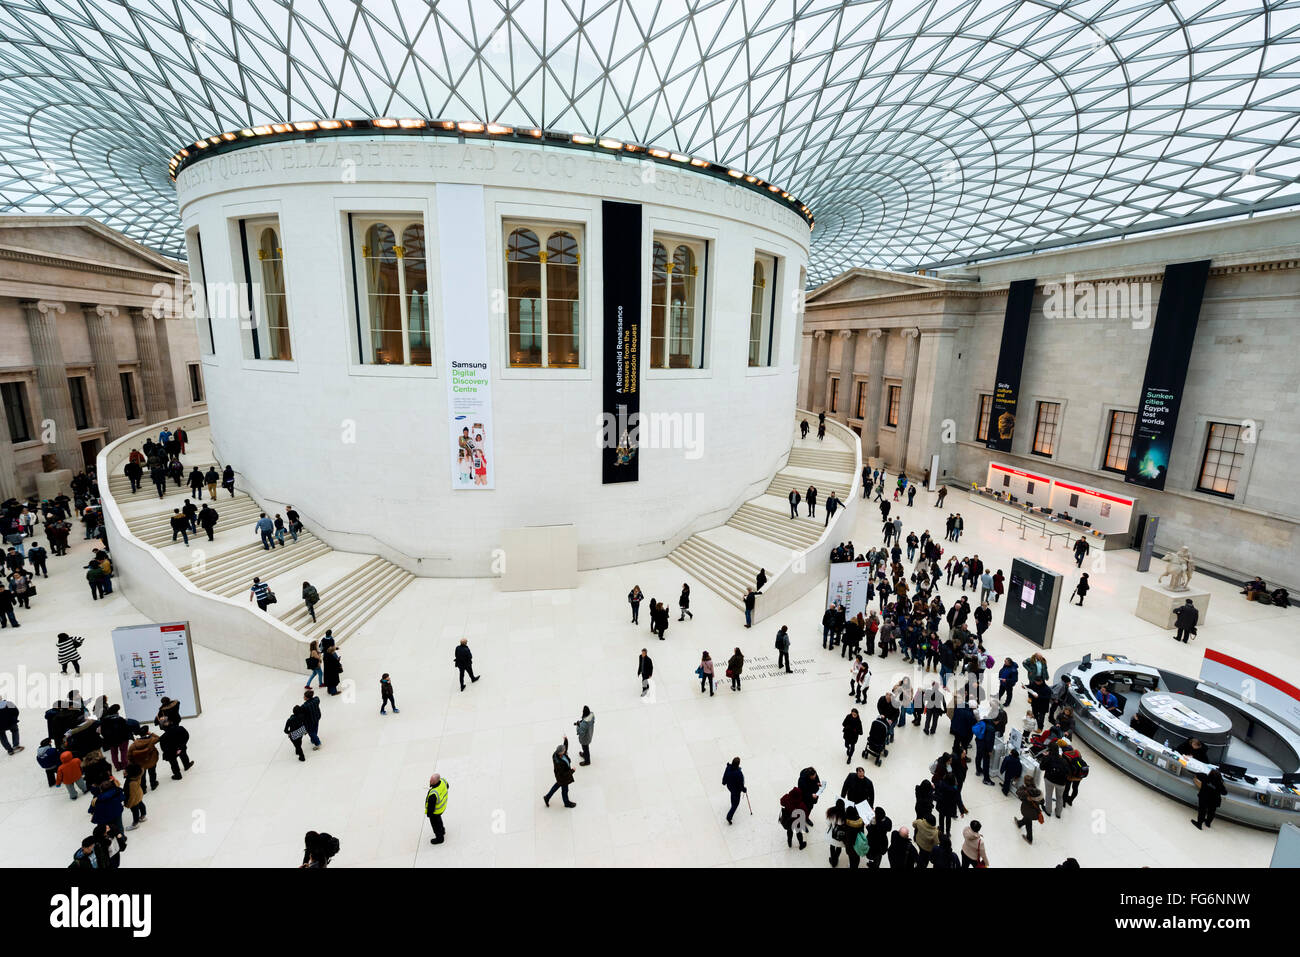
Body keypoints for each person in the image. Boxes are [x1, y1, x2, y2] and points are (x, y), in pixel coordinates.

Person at [543, 737, 577, 808]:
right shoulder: (559, 763)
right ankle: (566, 803)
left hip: (559, 777)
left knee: (556, 786)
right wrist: (572, 771)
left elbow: (565, 747)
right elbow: (564, 774)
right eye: (564, 750)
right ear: (561, 753)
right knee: (565, 790)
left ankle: (547, 797)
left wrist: (566, 740)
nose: (565, 750)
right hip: (563, 778)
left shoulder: (557, 754)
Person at [1040, 742, 1070, 818]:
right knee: (1060, 797)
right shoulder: (1063, 760)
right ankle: (1058, 813)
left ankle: (1048, 811)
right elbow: (1068, 772)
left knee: (1049, 795)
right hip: (1061, 783)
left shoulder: (1047, 758)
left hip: (1049, 780)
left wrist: (1044, 757)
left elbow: (1042, 767)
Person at [128, 727, 160, 791]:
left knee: (142, 776)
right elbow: (159, 738)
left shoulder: (134, 745)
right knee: (152, 773)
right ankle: (153, 784)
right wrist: (150, 733)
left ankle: (143, 788)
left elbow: (129, 756)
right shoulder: (152, 740)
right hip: (151, 761)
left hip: (140, 764)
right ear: (146, 733)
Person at [1014, 774, 1043, 844]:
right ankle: (1019, 823)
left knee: (1028, 822)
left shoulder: (1025, 790)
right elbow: (1042, 801)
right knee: (1027, 819)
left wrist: (1023, 787)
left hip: (1027, 809)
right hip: (1035, 810)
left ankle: (1029, 838)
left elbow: (1017, 792)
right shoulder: (1037, 790)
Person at [426, 773, 449, 843]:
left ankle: (439, 838)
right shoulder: (443, 781)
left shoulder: (433, 794)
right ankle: (442, 830)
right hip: (441, 808)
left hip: (435, 811)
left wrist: (429, 814)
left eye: (431, 781)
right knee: (439, 820)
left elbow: (431, 807)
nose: (430, 781)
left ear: (434, 782)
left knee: (435, 825)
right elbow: (447, 786)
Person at [722, 757, 746, 825]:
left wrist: (724, 782)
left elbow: (724, 777)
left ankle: (732, 803)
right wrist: (744, 790)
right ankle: (729, 817)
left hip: (730, 787)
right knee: (735, 804)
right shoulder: (739, 774)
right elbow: (741, 785)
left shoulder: (728, 768)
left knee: (733, 795)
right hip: (736, 790)